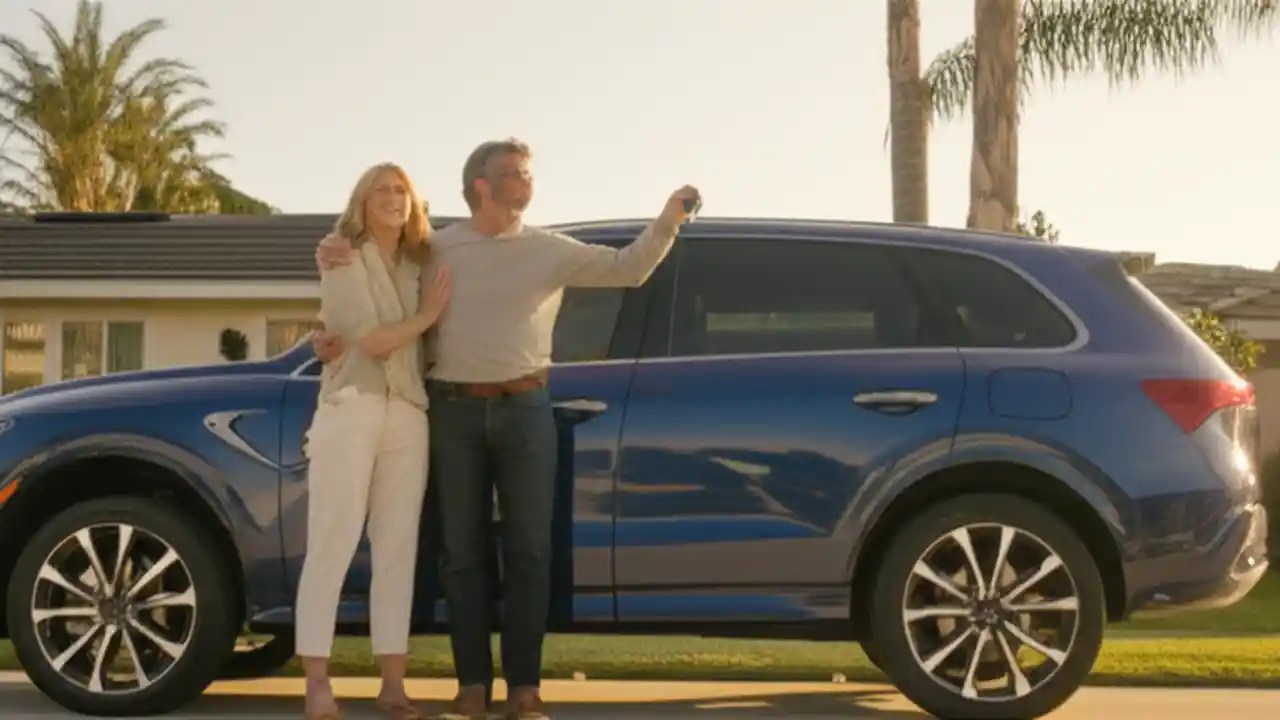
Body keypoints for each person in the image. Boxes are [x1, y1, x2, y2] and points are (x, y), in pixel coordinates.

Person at [313, 138, 698, 719]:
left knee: (529, 552)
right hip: (451, 413)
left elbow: (629, 269)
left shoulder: (548, 249)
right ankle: (472, 688)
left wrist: (668, 219)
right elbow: (377, 286)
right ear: (481, 187)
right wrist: (332, 252)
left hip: (526, 411)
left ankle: (525, 689)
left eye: (528, 173)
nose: (526, 182)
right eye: (513, 175)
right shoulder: (433, 249)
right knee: (460, 554)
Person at [295, 161, 451, 720]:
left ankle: (393, 685)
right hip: (351, 408)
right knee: (332, 545)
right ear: (361, 203)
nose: (392, 198)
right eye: (381, 190)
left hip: (408, 413)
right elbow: (374, 341)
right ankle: (316, 681)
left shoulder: (423, 260)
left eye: (401, 191)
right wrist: (430, 314)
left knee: (397, 551)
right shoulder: (342, 256)